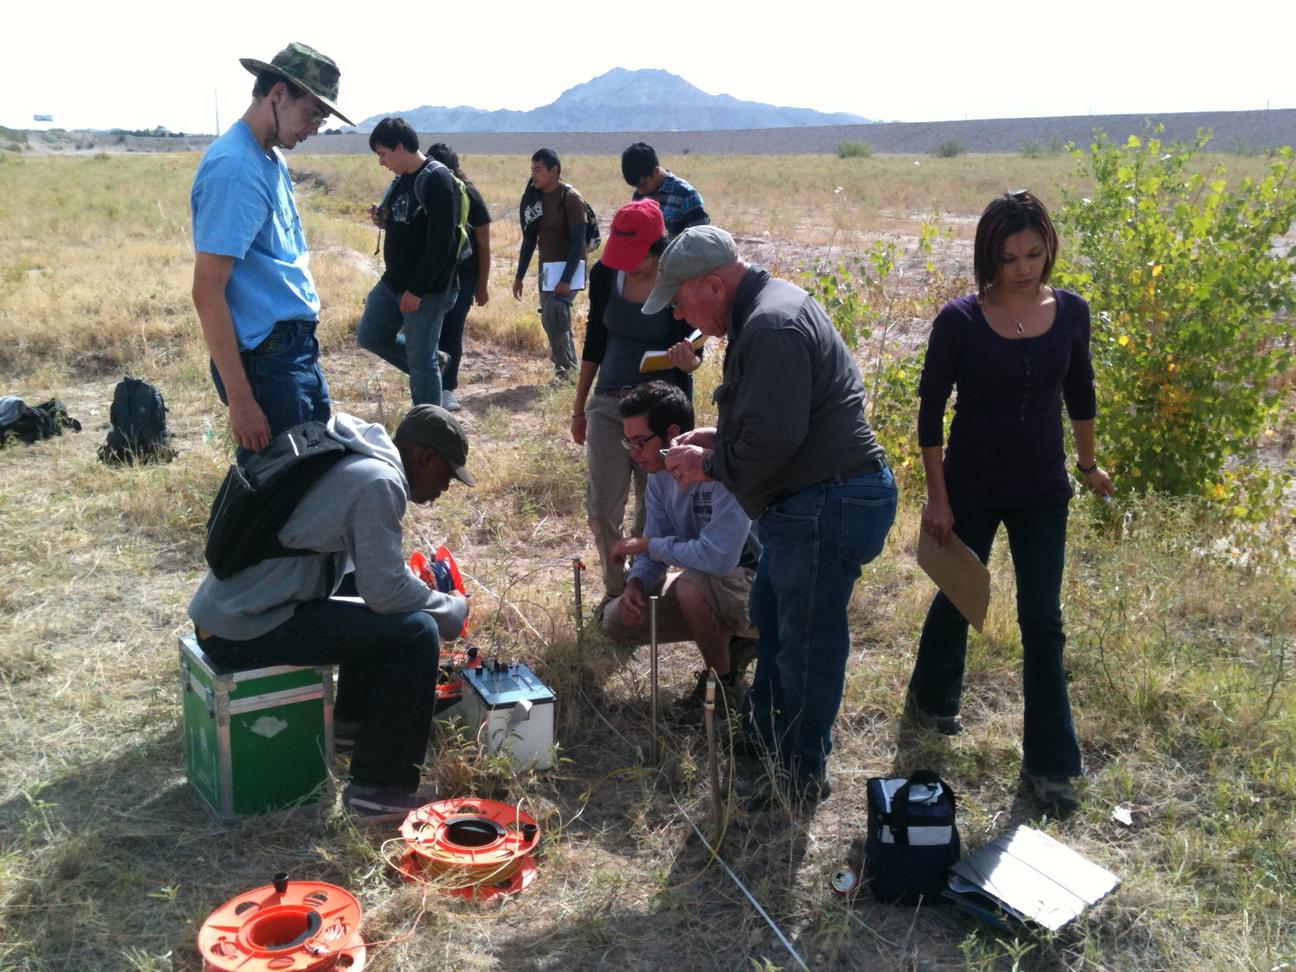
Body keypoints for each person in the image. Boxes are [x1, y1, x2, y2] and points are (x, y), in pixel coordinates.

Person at [654, 226, 897, 807]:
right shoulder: (767, 311)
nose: (679, 315)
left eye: (682, 301)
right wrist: (723, 434)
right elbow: (781, 419)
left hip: (826, 501)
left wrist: (709, 463)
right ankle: (764, 742)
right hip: (811, 500)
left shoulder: (770, 325)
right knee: (775, 622)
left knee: (805, 644)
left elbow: (776, 442)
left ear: (714, 284)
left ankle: (798, 772)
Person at [905, 190, 1113, 817]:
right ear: (988, 259)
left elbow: (1080, 391)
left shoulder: (1071, 311)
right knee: (961, 594)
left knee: (1042, 623)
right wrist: (937, 499)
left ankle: (1051, 766)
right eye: (1010, 256)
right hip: (969, 483)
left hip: (1043, 490)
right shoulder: (960, 320)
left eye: (1034, 252)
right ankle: (932, 702)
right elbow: (930, 412)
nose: (1024, 267)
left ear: (1048, 248)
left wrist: (1087, 463)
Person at [188, 405, 474, 821]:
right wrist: (450, 608)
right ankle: (380, 790)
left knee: (378, 613)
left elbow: (372, 582)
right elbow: (387, 593)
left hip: (228, 614)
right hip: (242, 629)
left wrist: (409, 593)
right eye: (447, 476)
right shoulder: (380, 482)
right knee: (415, 634)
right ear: (427, 457)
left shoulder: (355, 458)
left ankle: (353, 727)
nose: (445, 488)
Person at [191, 42, 353, 458]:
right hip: (267, 364)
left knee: (311, 480)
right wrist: (241, 400)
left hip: (293, 354)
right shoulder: (235, 168)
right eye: (313, 113)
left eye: (323, 117)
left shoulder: (269, 159)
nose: (316, 127)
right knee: (283, 494)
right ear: (278, 94)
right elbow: (207, 292)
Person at [601, 381, 759, 715]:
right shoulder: (657, 476)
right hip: (710, 584)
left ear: (672, 433)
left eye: (639, 442)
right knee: (615, 620)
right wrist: (637, 583)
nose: (632, 453)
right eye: (627, 441)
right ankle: (733, 642)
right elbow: (657, 543)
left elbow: (717, 558)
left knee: (691, 585)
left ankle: (722, 686)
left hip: (757, 590)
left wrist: (649, 545)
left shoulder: (720, 470)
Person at [572, 200, 701, 601]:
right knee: (601, 507)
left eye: (637, 259)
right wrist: (579, 408)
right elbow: (595, 340)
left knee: (654, 509)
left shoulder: (680, 278)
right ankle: (615, 593)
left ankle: (642, 589)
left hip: (660, 413)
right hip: (609, 403)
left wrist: (689, 361)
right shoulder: (605, 275)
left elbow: (697, 348)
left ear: (658, 249)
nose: (628, 266)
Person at [357, 118, 463, 408]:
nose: (381, 162)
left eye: (382, 153)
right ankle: (433, 362)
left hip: (427, 290)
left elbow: (443, 244)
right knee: (369, 335)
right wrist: (384, 219)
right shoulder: (402, 178)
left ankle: (429, 429)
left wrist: (416, 290)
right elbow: (406, 224)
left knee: (420, 363)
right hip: (393, 282)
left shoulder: (437, 179)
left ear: (400, 147)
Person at [512, 149, 588, 380]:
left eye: (538, 169)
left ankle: (565, 372)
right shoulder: (533, 198)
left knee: (556, 315)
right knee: (552, 320)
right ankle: (569, 369)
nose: (534, 175)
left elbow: (578, 243)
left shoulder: (571, 198)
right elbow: (528, 241)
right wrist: (519, 276)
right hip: (547, 271)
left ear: (553, 171)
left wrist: (566, 279)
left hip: (569, 270)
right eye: (532, 170)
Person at [427, 143, 492, 413]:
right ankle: (430, 386)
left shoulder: (472, 196)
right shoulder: (427, 193)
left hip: (463, 278)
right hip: (431, 278)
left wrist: (482, 285)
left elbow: (484, 244)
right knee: (430, 333)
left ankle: (447, 389)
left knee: (452, 332)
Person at [621, 142, 709, 238]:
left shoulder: (686, 195)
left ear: (656, 171)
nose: (640, 191)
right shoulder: (639, 194)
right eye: (636, 187)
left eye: (643, 185)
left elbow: (702, 240)